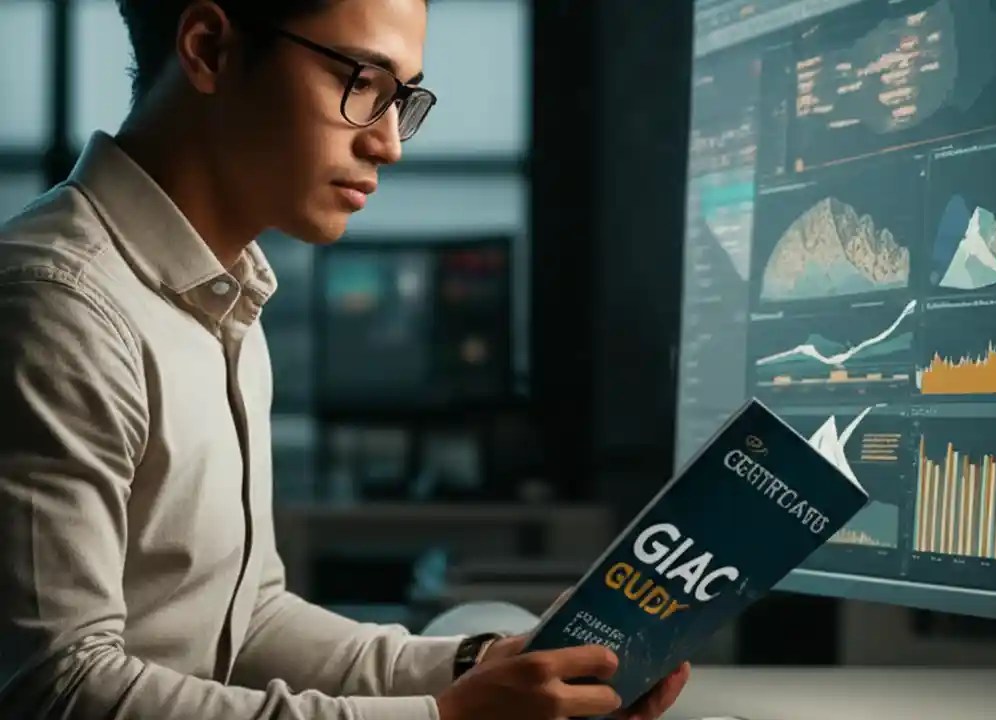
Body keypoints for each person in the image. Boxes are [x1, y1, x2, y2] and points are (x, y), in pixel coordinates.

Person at [0, 1, 691, 718]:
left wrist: (477, 667)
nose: (390, 143)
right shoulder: (58, 305)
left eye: (403, 99)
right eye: (364, 81)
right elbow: (55, 689)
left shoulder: (221, 296)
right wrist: (447, 718)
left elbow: (249, 621)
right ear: (210, 49)